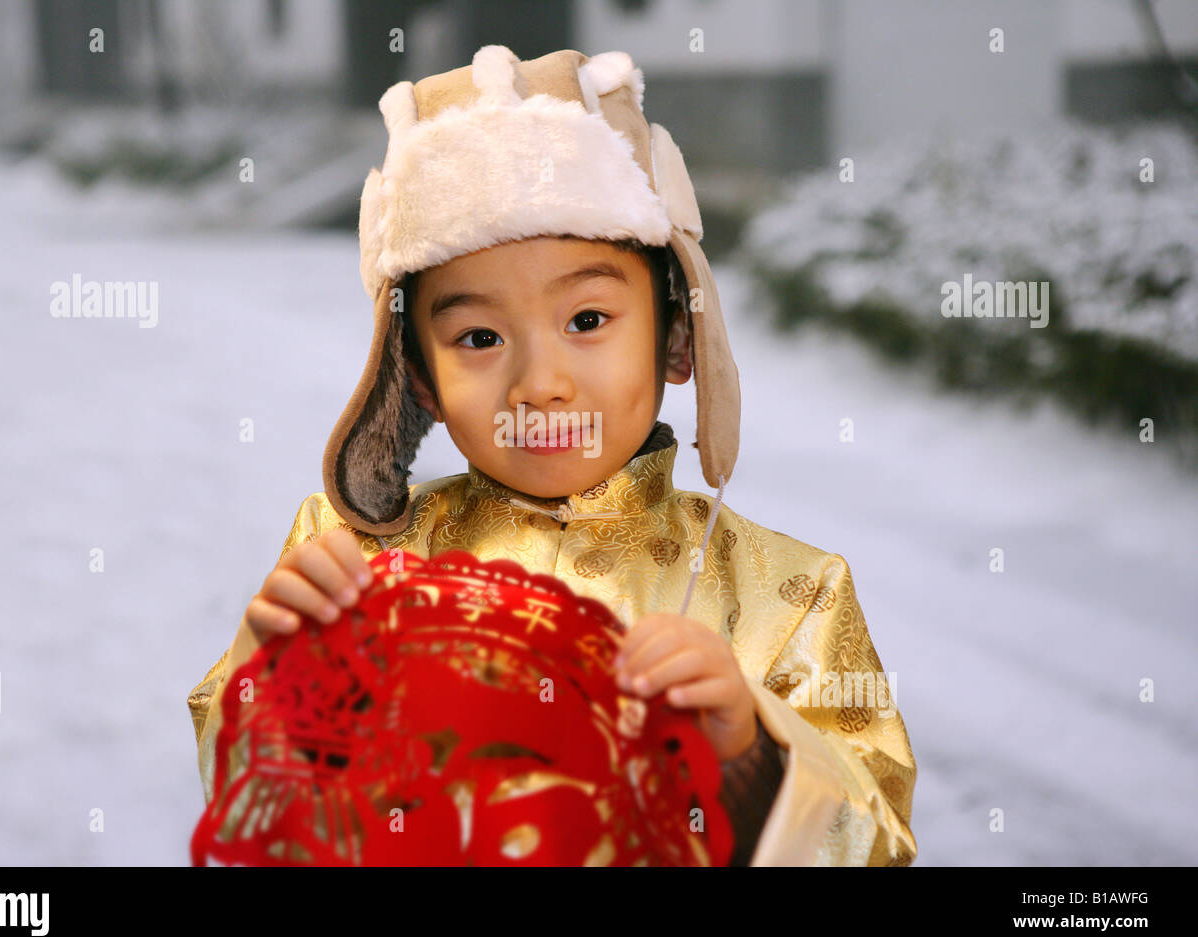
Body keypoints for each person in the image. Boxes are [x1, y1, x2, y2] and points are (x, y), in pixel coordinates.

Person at [188, 45, 917, 866]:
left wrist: (750, 756)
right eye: (480, 337)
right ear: (418, 381)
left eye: (587, 320)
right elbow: (253, 806)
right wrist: (278, 674)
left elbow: (879, 837)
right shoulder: (358, 564)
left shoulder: (791, 598)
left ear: (676, 336)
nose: (541, 384)